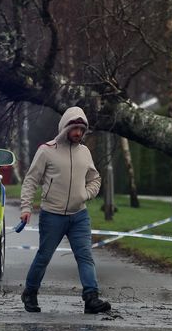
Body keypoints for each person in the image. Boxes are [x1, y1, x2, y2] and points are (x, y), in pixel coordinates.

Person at [19, 106, 111, 314]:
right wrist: (26, 207)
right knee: (44, 256)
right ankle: (30, 292)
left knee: (85, 255)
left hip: (79, 215)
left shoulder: (84, 152)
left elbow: (95, 178)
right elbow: (31, 180)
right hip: (52, 215)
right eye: (74, 129)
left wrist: (85, 194)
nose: (78, 133)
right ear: (65, 128)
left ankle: (91, 298)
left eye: (81, 130)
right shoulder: (46, 151)